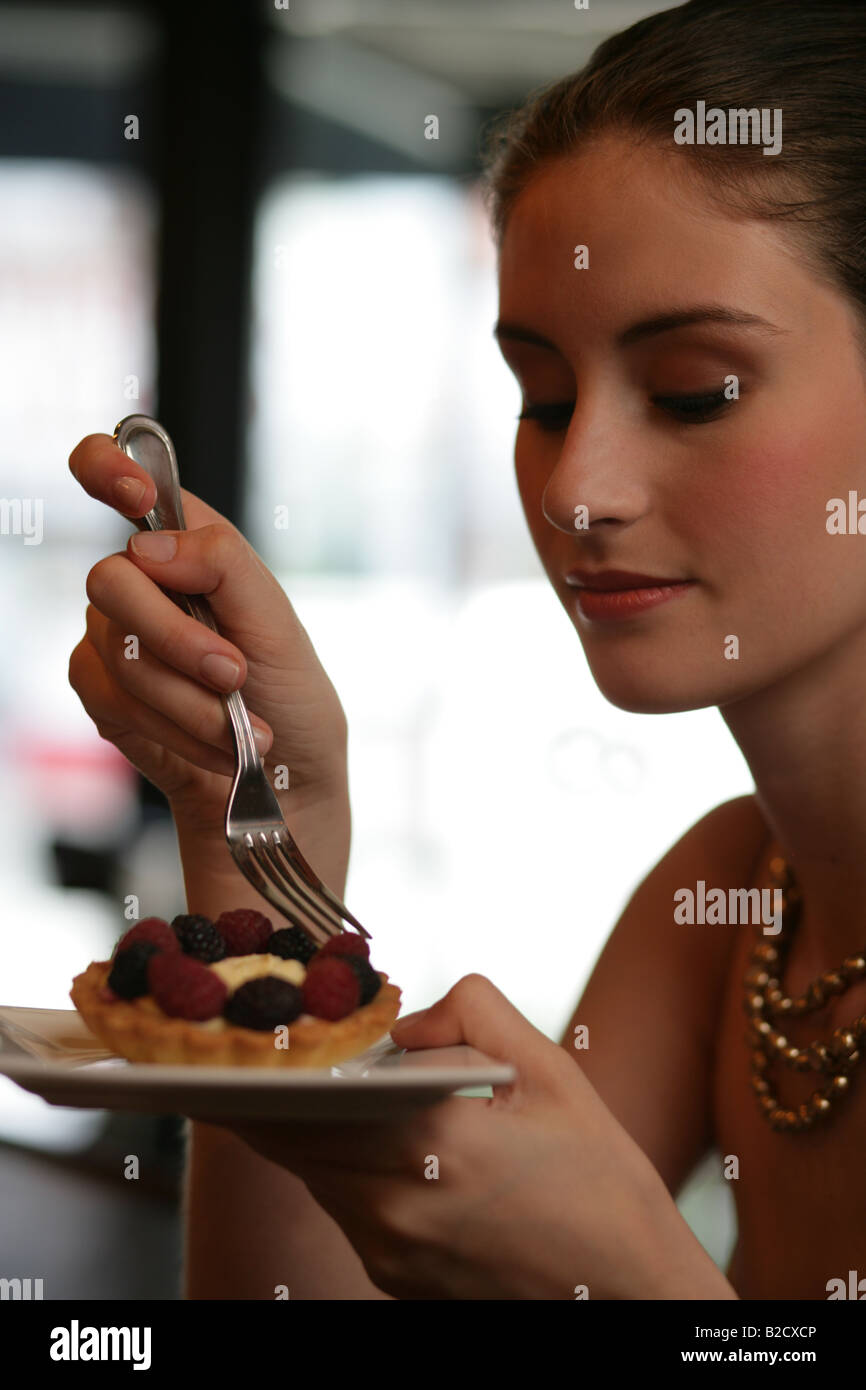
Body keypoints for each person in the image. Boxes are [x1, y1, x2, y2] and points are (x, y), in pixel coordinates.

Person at [68, 0, 866, 1299]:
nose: (576, 489)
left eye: (691, 390)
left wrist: (630, 1283)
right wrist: (263, 825)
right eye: (543, 399)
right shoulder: (734, 901)